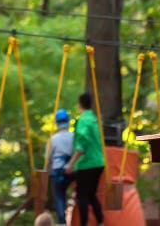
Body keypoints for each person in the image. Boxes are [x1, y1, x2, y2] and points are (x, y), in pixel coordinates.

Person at [64, 93, 105, 226]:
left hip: (87, 163)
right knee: (91, 195)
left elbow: (82, 144)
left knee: (82, 196)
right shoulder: (94, 119)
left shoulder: (83, 120)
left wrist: (71, 163)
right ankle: (101, 222)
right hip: (99, 162)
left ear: (79, 104)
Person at [46, 109, 74, 225]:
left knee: (59, 196)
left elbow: (48, 158)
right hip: (72, 170)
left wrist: (49, 170)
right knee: (77, 193)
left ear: (57, 123)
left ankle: (62, 221)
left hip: (58, 170)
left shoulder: (53, 139)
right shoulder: (73, 136)